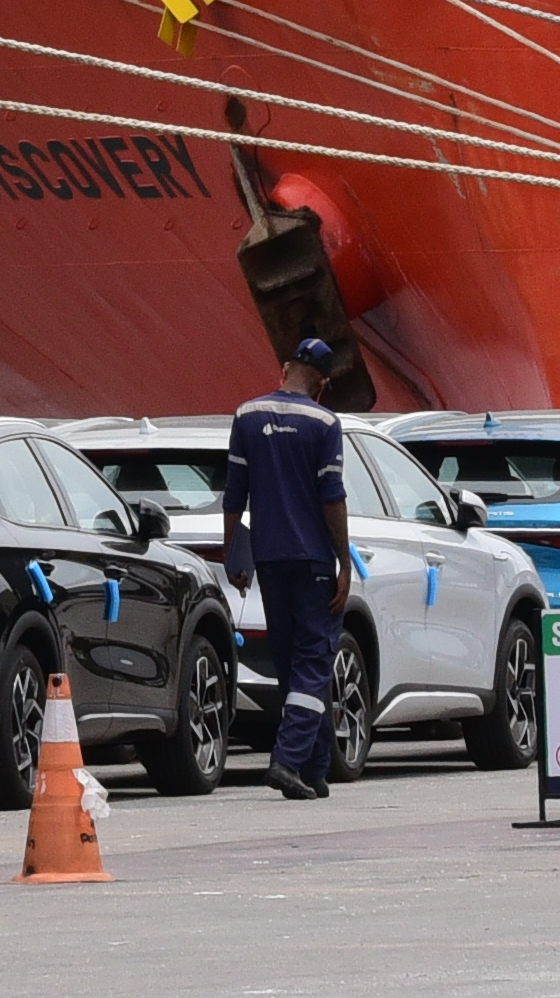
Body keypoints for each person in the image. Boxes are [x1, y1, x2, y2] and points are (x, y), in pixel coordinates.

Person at [220, 337, 351, 801]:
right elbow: (331, 498)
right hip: (313, 558)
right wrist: (344, 563)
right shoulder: (324, 422)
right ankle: (287, 760)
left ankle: (315, 768)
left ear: (284, 369)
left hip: (270, 560)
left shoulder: (246, 416)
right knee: (314, 662)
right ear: (322, 384)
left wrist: (232, 552)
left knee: (289, 664)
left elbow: (235, 492)